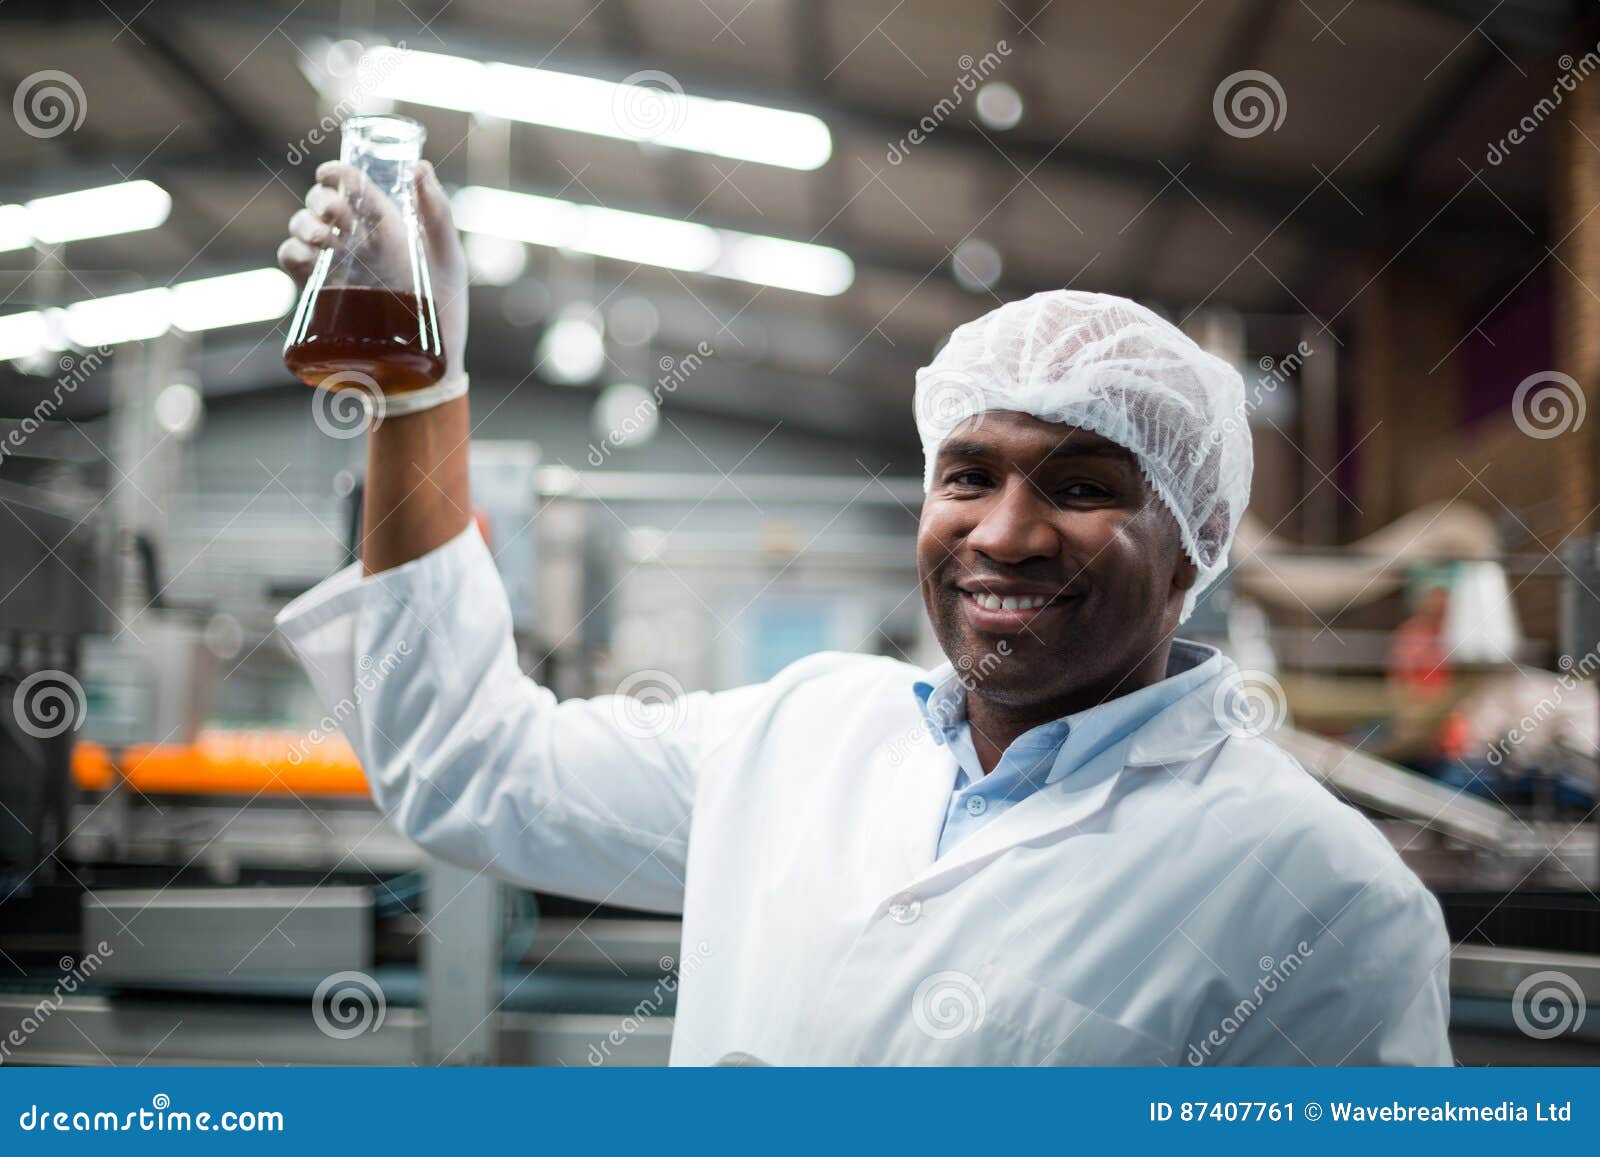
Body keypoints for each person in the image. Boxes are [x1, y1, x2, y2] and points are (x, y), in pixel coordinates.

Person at [274, 163, 1452, 1066]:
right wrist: (416, 389)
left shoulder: (1323, 895)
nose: (1004, 531)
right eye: (968, 475)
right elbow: (463, 765)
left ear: (1193, 545)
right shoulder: (800, 734)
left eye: (1085, 486)